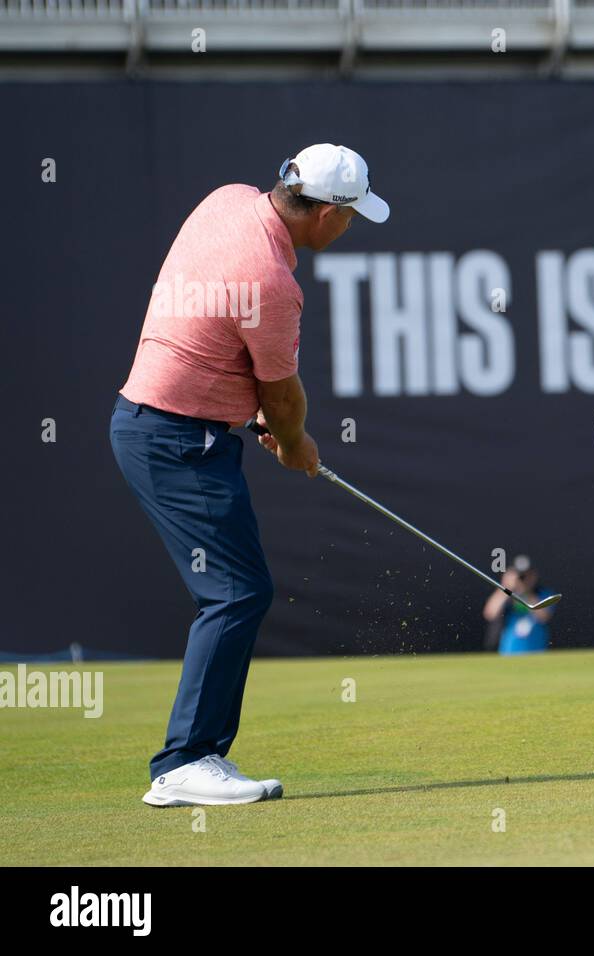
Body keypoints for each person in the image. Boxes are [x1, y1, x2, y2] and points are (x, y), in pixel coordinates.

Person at [110, 144, 389, 807]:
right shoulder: (272, 281)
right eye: (349, 217)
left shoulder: (229, 197)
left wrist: (249, 410)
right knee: (236, 593)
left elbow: (209, 329)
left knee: (237, 590)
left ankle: (190, 757)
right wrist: (294, 444)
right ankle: (186, 762)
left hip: (158, 422)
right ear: (323, 214)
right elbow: (285, 401)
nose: (349, 230)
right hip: (178, 439)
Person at [483, 555, 557, 655]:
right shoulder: (506, 594)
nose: (522, 579)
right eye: (520, 575)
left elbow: (544, 616)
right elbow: (490, 613)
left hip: (537, 651)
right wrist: (506, 587)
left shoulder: (543, 593)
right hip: (508, 652)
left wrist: (526, 591)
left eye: (527, 575)